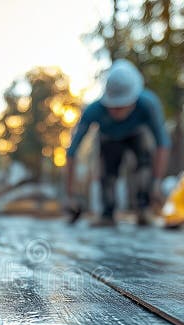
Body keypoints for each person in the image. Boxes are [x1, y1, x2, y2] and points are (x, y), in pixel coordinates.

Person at [65, 59, 170, 226]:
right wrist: (70, 195)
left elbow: (162, 143)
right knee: (107, 171)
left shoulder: (148, 105)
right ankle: (107, 212)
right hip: (108, 139)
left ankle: (143, 208)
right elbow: (72, 152)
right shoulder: (94, 111)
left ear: (134, 99)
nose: (117, 111)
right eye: (113, 106)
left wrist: (157, 181)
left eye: (122, 106)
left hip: (137, 135)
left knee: (144, 161)